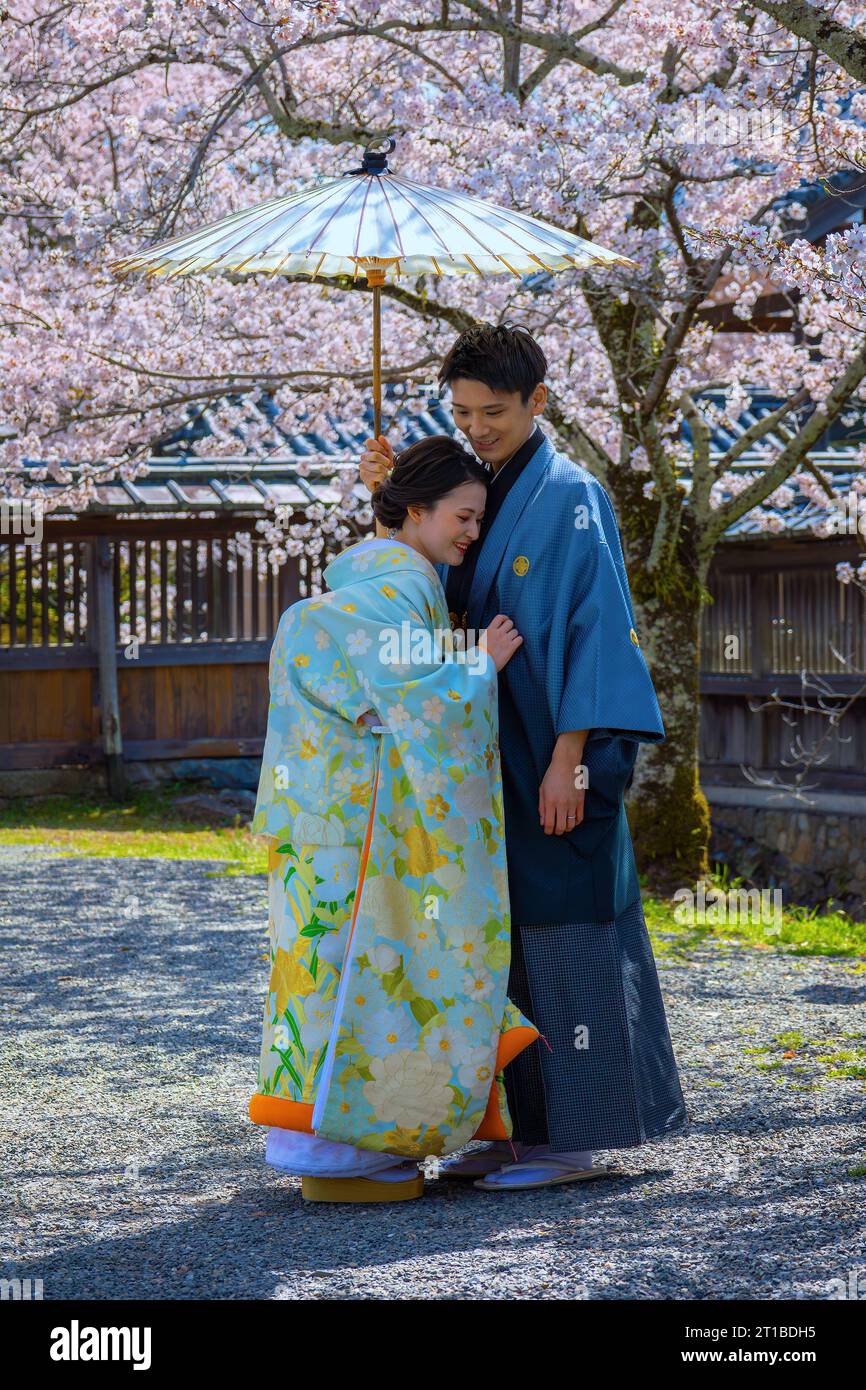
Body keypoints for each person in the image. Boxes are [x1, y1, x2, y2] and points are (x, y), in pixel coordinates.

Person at [360, 323, 688, 1192]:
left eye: (493, 412)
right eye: (463, 412)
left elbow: (594, 632)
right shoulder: (487, 485)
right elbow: (442, 580)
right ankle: (510, 1129)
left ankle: (570, 1140)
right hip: (489, 752)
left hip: (553, 750)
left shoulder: (571, 495)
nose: (477, 428)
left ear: (538, 401)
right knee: (494, 939)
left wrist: (571, 759)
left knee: (563, 927)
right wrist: (394, 507)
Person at [249, 435, 540, 1203]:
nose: (472, 535)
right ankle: (355, 1147)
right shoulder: (390, 590)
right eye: (463, 516)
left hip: (325, 815)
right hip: (360, 827)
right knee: (376, 969)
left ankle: (330, 1140)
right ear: (416, 511)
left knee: (330, 972)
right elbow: (413, 702)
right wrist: (481, 665)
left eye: (479, 519)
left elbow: (386, 684)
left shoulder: (377, 579)